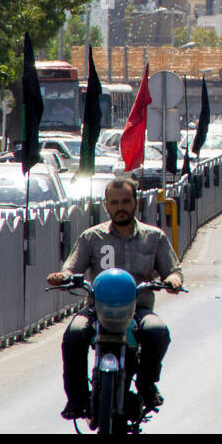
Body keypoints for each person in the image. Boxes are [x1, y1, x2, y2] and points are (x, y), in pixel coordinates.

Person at [48, 177, 183, 418]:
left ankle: (146, 384)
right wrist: (63, 276)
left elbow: (172, 270)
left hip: (137, 309)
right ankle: (77, 399)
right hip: (97, 309)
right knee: (74, 334)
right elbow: (71, 267)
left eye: (126, 201)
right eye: (115, 202)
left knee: (158, 331)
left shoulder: (154, 237)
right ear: (107, 206)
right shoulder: (92, 237)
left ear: (136, 203)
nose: (121, 207)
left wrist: (173, 280)